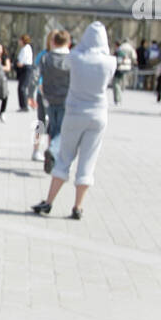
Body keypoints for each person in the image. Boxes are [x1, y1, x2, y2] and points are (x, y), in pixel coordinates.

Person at [31, 21, 116, 220]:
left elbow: (65, 60)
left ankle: (49, 201)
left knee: (64, 158)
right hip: (99, 114)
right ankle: (78, 206)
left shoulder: (76, 57)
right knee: (88, 161)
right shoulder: (110, 61)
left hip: (75, 111)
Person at [38, 29, 71, 173]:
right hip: (66, 100)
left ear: (53, 41)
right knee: (62, 130)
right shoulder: (71, 59)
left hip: (49, 98)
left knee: (53, 127)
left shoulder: (46, 58)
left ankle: (53, 155)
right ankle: (52, 150)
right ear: (68, 42)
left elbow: (38, 77)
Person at [112, 38, 135, 106]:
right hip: (124, 68)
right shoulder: (128, 48)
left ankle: (118, 99)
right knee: (120, 83)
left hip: (118, 68)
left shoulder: (119, 51)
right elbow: (133, 56)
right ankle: (120, 96)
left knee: (116, 84)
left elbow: (118, 60)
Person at [14, 34, 33, 111]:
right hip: (26, 68)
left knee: (22, 88)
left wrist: (16, 64)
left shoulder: (25, 49)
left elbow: (20, 62)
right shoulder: (27, 48)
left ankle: (24, 106)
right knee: (22, 87)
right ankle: (23, 105)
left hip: (25, 68)